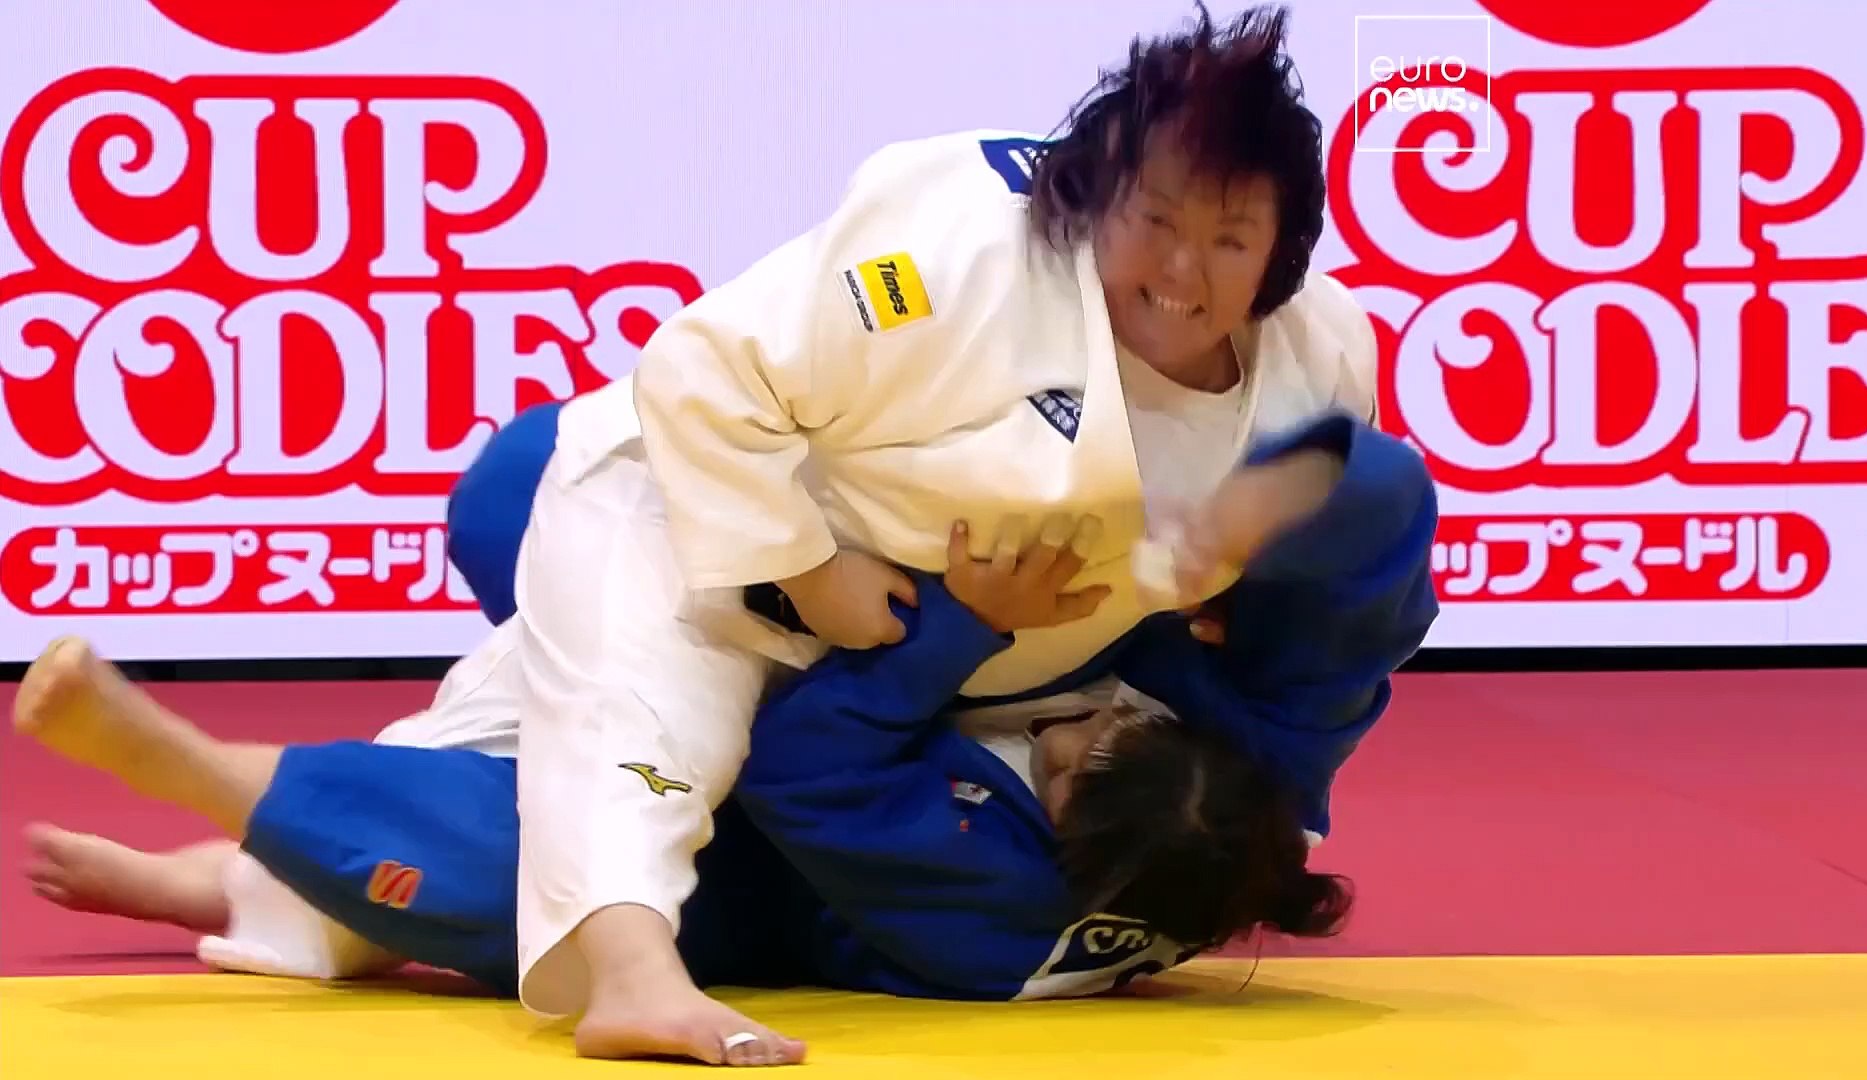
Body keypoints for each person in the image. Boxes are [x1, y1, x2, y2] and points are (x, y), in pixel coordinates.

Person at [486, 2, 1376, 1060]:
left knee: (488, 740)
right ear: (1100, 193)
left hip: (937, 645)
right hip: (704, 509)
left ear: (1282, 253)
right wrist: (812, 571)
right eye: (1156, 221)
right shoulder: (955, 254)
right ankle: (637, 984)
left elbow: (1310, 565)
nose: (1184, 271)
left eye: (1230, 241)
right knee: (656, 726)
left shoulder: (1321, 359)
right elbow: (704, 370)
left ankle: (305, 887)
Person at [17, 410, 1437, 1066]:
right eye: (1099, 719)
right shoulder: (1251, 754)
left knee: (542, 883)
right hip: (763, 643)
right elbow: (1384, 554)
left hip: (744, 823)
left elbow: (807, 771)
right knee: (528, 492)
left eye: (1061, 761)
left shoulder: (999, 919)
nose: (1075, 719)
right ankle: (238, 879)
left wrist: (962, 629)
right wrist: (1242, 512)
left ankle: (201, 821)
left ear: (1062, 837)